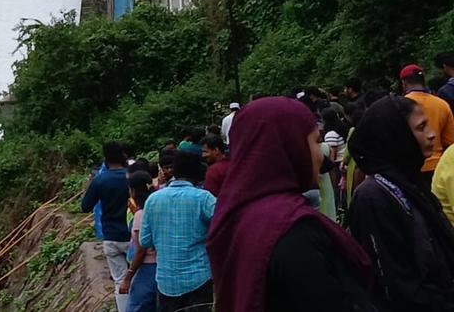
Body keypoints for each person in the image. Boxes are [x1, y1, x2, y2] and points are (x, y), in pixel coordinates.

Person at [207, 97, 374, 312]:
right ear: (288, 146)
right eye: (315, 141)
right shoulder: (294, 230)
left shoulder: (238, 213)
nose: (321, 157)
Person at [348, 95, 454, 311]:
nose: (432, 135)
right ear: (396, 136)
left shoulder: (410, 184)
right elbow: (393, 283)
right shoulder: (374, 197)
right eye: (421, 128)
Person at [139, 151, 215, 311]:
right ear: (198, 172)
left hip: (166, 280)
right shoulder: (205, 199)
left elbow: (145, 241)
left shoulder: (153, 199)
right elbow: (223, 230)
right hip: (199, 278)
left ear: (175, 170)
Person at [80, 141, 131, 312]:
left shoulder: (100, 180)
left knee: (119, 280)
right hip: (133, 236)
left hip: (111, 237)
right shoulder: (131, 177)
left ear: (105, 158)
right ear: (123, 156)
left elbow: (85, 206)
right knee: (138, 277)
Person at [401, 64, 454, 189]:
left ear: (404, 83)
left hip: (411, 169)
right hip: (439, 166)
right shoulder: (442, 104)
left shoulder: (400, 106)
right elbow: (450, 141)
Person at [119, 171, 157, 312]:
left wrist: (128, 276)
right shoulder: (156, 209)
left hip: (147, 269)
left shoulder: (141, 215)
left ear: (133, 191)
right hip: (161, 267)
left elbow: (141, 250)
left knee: (136, 307)